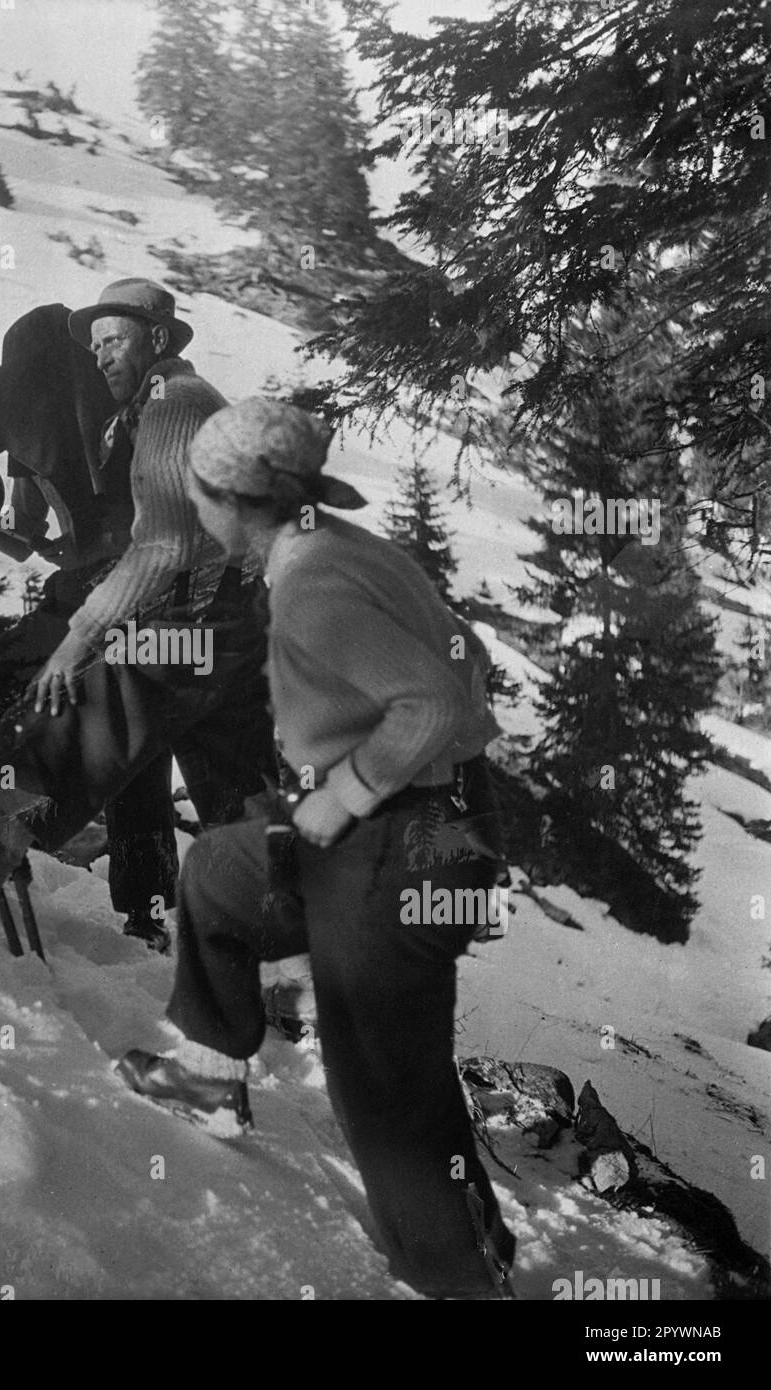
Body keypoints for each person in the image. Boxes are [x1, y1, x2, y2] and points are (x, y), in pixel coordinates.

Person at [115, 399, 517, 1300]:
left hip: (402, 840)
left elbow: (432, 704)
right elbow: (466, 656)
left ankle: (459, 1280)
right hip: (409, 818)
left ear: (236, 502)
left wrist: (351, 789)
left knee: (383, 1084)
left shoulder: (314, 583)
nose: (195, 509)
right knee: (220, 875)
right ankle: (210, 1080)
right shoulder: (333, 547)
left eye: (201, 494)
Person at [0, 280, 276, 967]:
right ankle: (287, 989)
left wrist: (78, 640)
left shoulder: (170, 405)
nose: (103, 357)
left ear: (156, 338)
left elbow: (163, 546)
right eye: (95, 347)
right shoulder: (179, 403)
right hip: (229, 627)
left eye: (115, 340)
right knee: (244, 808)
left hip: (186, 624)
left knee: (35, 749)